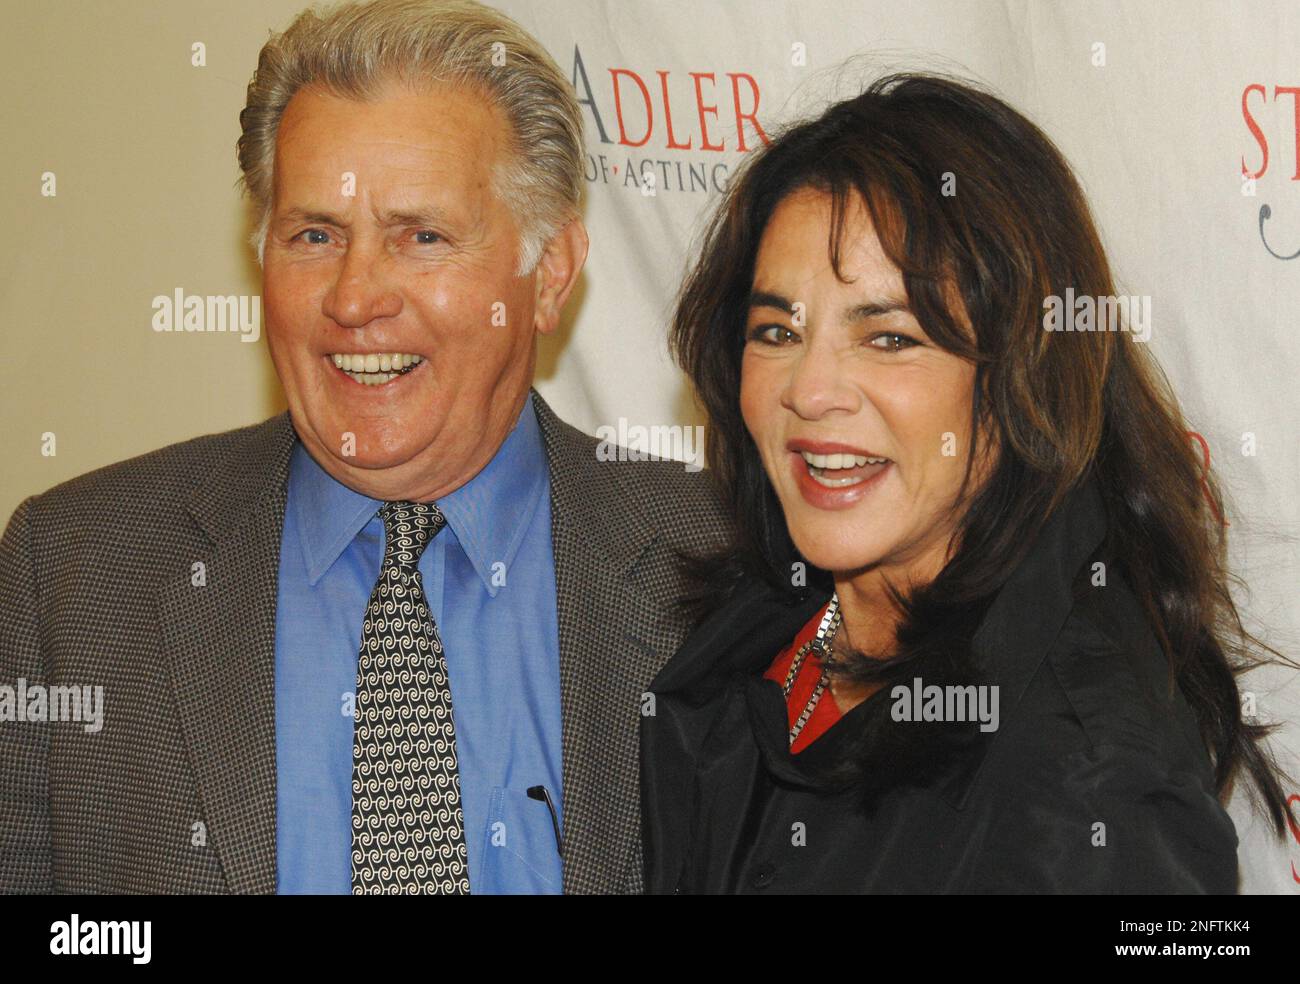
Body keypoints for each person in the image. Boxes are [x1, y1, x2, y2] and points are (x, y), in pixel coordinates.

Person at [0, 0, 728, 895]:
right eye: (315, 236)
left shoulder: (727, 568)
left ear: (550, 276)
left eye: (421, 236)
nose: (354, 297)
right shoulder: (72, 575)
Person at [642, 71, 1296, 893]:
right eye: (776, 330)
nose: (807, 391)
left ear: (1021, 375)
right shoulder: (772, 617)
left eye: (889, 338)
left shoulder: (1090, 787)